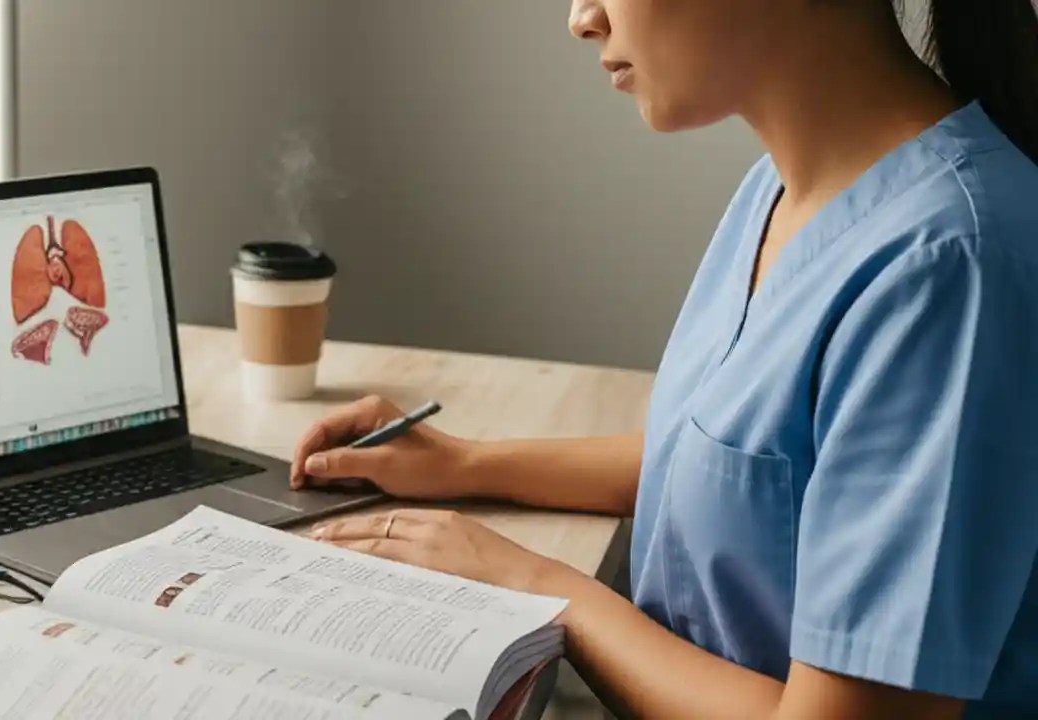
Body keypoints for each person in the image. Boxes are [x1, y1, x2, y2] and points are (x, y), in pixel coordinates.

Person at [290, 1, 1038, 718]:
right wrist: (466, 464)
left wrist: (532, 584)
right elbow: (737, 468)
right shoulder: (780, 191)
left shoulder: (953, 267)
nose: (582, 17)